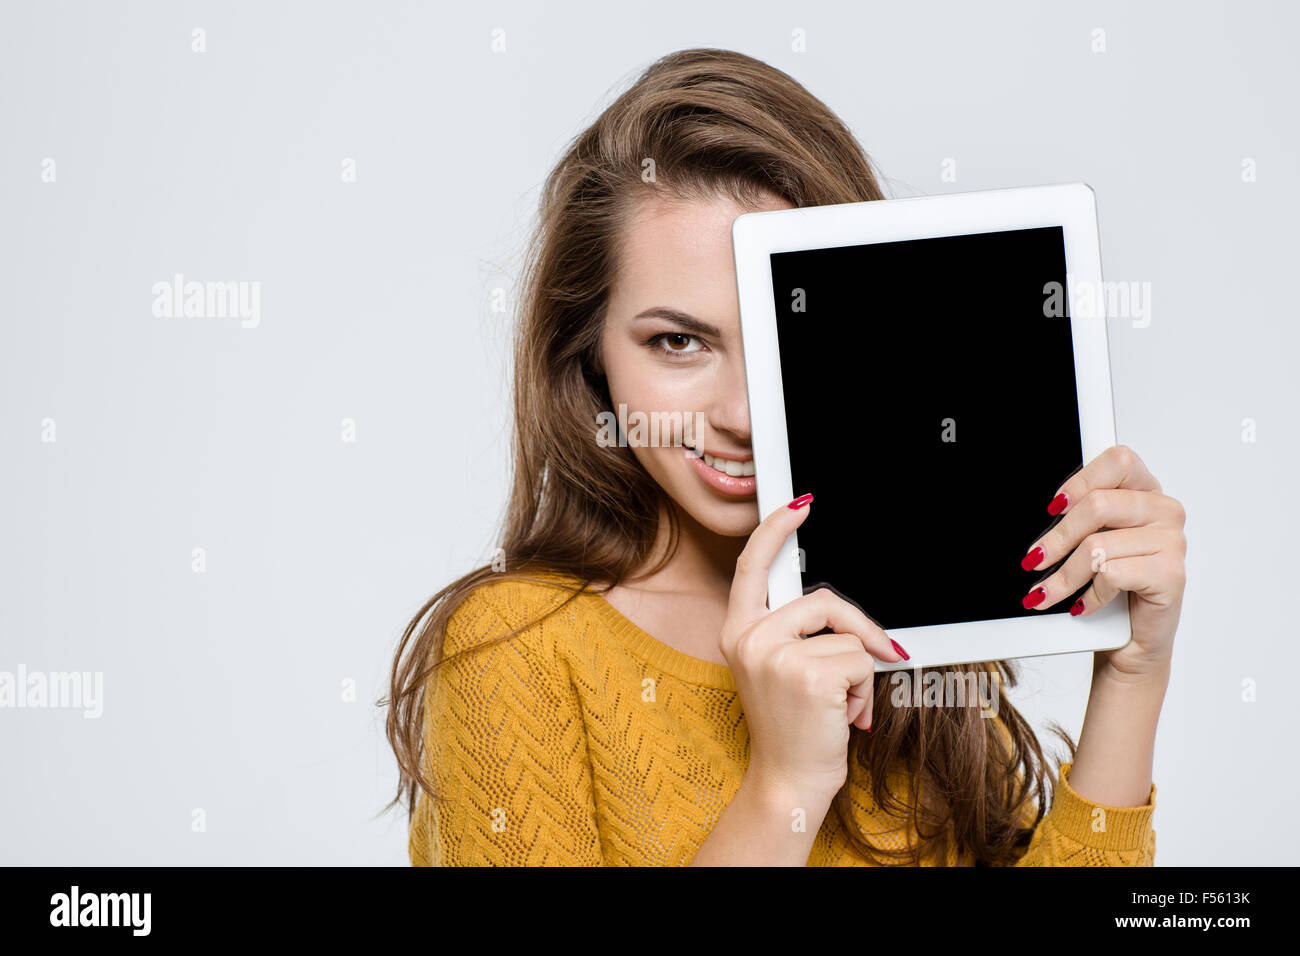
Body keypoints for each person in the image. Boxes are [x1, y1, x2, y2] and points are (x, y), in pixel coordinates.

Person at [386, 48, 1186, 866]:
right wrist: (783, 788)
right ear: (588, 355)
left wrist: (1132, 674)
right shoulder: (517, 648)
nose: (738, 415)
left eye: (787, 339)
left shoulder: (905, 627)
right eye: (678, 342)